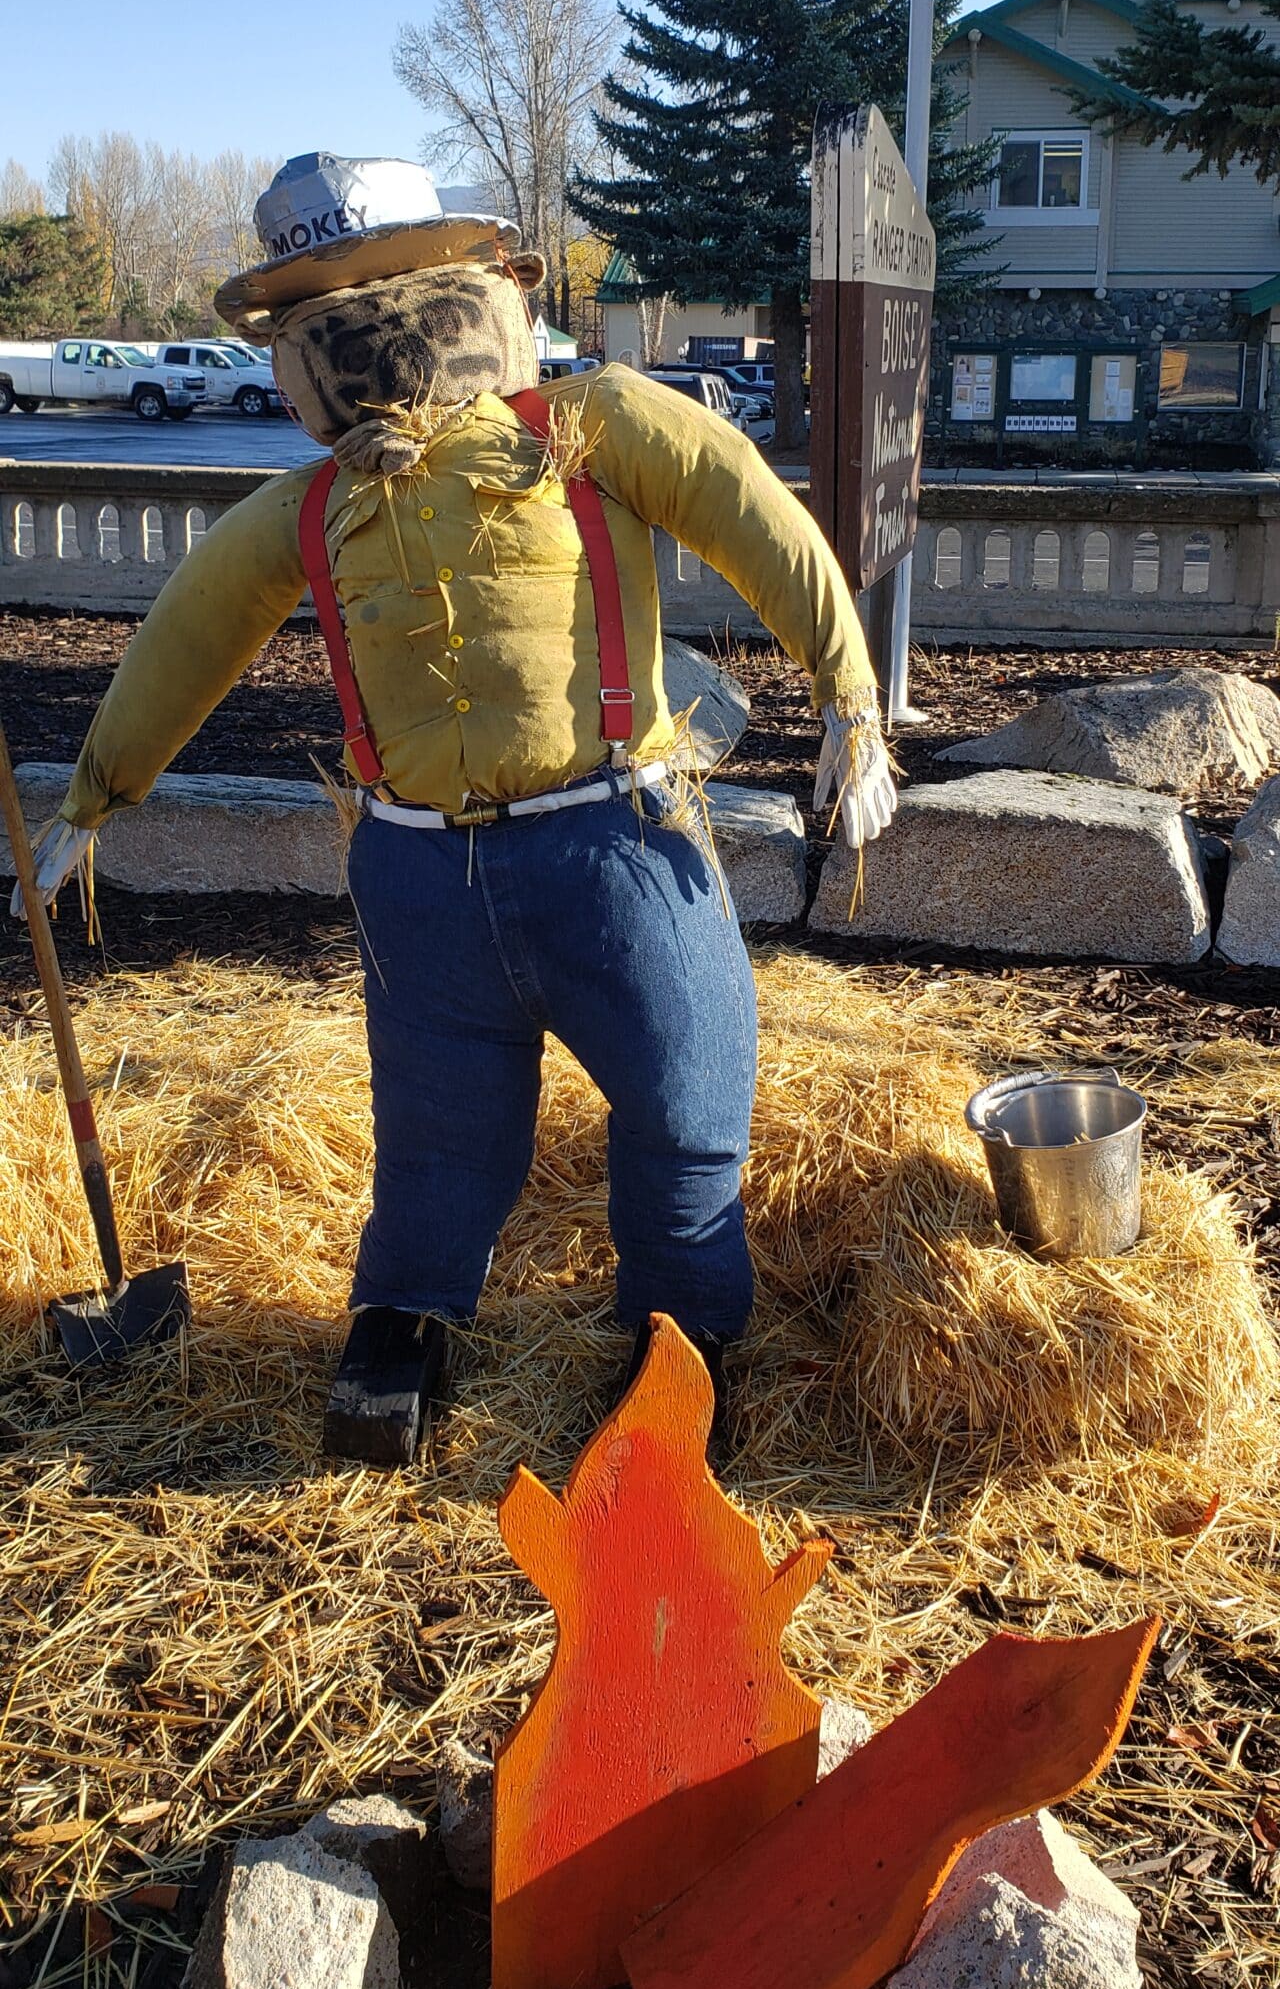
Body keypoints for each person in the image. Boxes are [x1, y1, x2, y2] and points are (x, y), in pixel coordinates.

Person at [18, 154, 896, 1462]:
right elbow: (194, 625)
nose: (367, 332)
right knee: (434, 1135)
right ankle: (402, 1327)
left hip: (620, 847)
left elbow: (751, 514)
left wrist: (850, 699)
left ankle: (682, 1345)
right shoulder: (311, 506)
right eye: (329, 309)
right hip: (421, 880)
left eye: (392, 293)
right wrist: (98, 790)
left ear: (467, 290)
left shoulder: (590, 423)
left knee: (686, 1105)